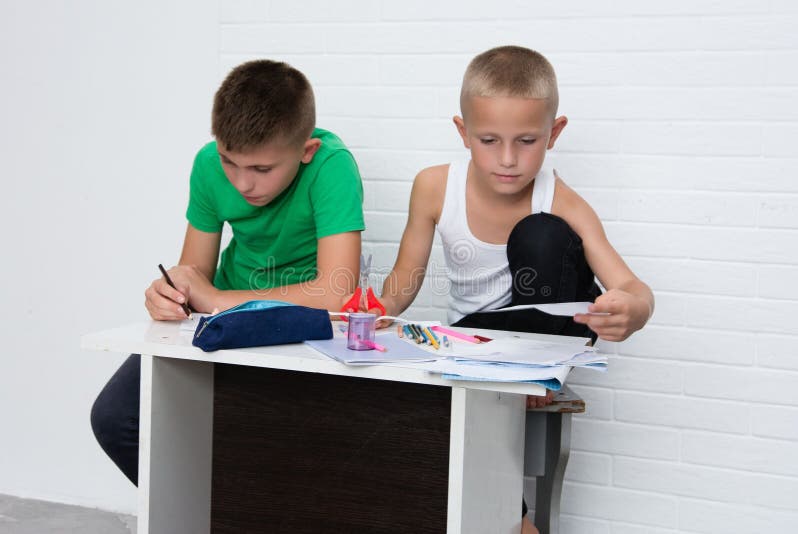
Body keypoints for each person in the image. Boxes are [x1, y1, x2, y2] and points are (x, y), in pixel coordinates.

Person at [354, 46, 655, 533]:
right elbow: (405, 280)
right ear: (463, 132)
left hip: (548, 331)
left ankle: (536, 372)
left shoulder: (557, 197)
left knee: (541, 233)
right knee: (428, 384)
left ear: (554, 134)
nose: (509, 159)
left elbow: (632, 287)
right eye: (490, 140)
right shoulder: (434, 186)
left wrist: (632, 310)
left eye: (528, 140)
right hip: (476, 340)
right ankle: (517, 520)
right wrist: (372, 313)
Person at [91, 59, 365, 484]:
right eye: (229, 162)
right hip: (225, 326)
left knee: (287, 441)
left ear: (305, 150)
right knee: (115, 418)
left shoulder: (331, 165)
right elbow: (194, 271)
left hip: (304, 328)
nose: (242, 184)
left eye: (261, 169)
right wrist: (171, 292)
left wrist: (217, 299)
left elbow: (337, 292)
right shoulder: (206, 165)